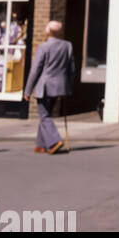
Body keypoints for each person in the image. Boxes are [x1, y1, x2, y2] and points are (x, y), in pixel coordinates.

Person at [23, 20, 75, 155]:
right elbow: (71, 69)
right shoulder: (67, 46)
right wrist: (68, 86)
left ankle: (55, 140)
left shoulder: (43, 47)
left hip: (45, 86)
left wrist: (27, 90)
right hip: (59, 86)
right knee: (46, 113)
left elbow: (35, 70)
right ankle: (41, 145)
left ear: (47, 32)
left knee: (44, 115)